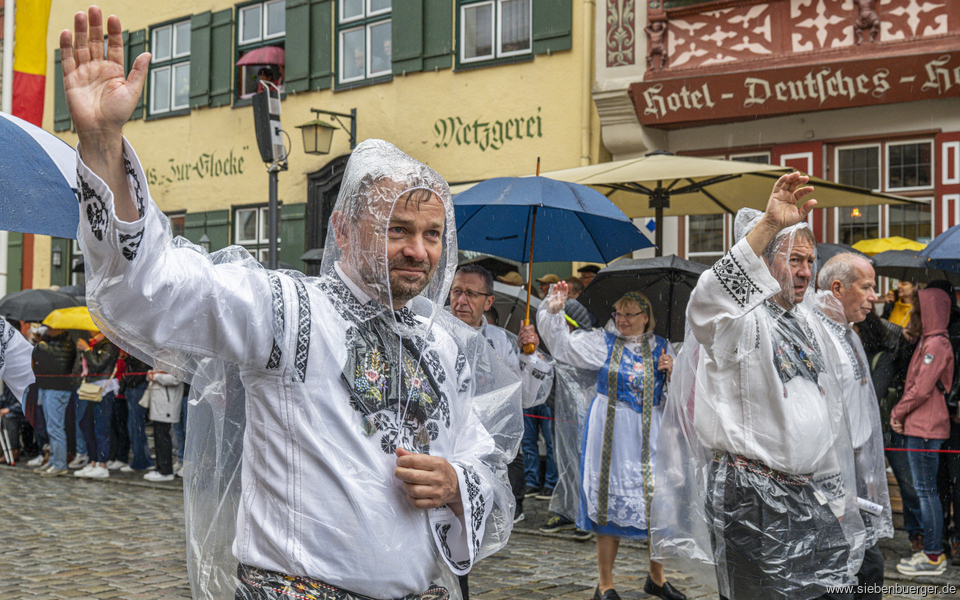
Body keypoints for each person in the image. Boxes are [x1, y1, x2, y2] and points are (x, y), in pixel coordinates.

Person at [61, 8, 521, 599]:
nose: (418, 251)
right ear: (346, 229)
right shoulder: (287, 311)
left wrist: (457, 480)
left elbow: (480, 455)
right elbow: (152, 287)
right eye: (398, 229)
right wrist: (103, 145)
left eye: (432, 235)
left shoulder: (441, 343)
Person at [674, 174, 864, 600]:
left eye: (810, 261)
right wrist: (768, 227)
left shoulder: (806, 320)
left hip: (806, 492)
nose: (804, 272)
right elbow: (707, 303)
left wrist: (836, 495)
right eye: (793, 259)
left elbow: (822, 409)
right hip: (750, 497)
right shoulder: (740, 322)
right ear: (762, 263)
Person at [539, 285, 685, 600]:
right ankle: (605, 584)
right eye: (617, 314)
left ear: (646, 317)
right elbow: (561, 346)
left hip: (651, 434)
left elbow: (678, 401)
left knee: (656, 505)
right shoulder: (602, 343)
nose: (622, 320)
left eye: (630, 315)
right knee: (610, 506)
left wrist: (673, 374)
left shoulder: (663, 348)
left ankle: (656, 578)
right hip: (612, 434)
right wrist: (554, 310)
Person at [448, 264, 553, 599]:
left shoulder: (499, 342)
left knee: (467, 529)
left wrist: (528, 354)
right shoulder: (433, 330)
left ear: (488, 301)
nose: (461, 300)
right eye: (456, 291)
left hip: (481, 449)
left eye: (470, 294)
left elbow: (524, 395)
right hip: (443, 444)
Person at [811, 253, 894, 598]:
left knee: (866, 563)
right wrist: (834, 485)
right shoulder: (816, 336)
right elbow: (818, 418)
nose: (875, 296)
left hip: (855, 472)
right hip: (832, 479)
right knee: (848, 568)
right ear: (837, 288)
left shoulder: (848, 333)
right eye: (867, 287)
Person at [891, 287, 955, 575]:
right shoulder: (929, 341)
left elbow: (920, 388)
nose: (915, 312)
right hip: (924, 425)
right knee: (926, 491)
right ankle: (932, 552)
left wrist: (898, 411)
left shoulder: (935, 345)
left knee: (926, 492)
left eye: (919, 308)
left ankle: (932, 556)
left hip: (925, 427)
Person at [31, 326, 77, 477]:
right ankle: (53, 461)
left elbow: (54, 363)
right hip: (46, 387)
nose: (48, 330)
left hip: (57, 389)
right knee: (51, 427)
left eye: (50, 328)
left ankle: (60, 464)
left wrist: (40, 344)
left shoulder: (66, 344)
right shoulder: (51, 343)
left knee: (56, 427)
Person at [74, 333, 119, 479]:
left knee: (101, 427)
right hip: (92, 387)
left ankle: (102, 464)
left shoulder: (109, 344)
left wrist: (87, 350)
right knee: (86, 424)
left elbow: (98, 365)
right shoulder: (94, 344)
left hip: (103, 389)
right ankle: (93, 461)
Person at [143, 369, 184, 482]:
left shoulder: (175, 361)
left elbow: (175, 379)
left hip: (166, 404)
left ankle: (165, 470)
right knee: (159, 437)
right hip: (159, 404)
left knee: (163, 437)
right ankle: (161, 468)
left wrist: (156, 376)